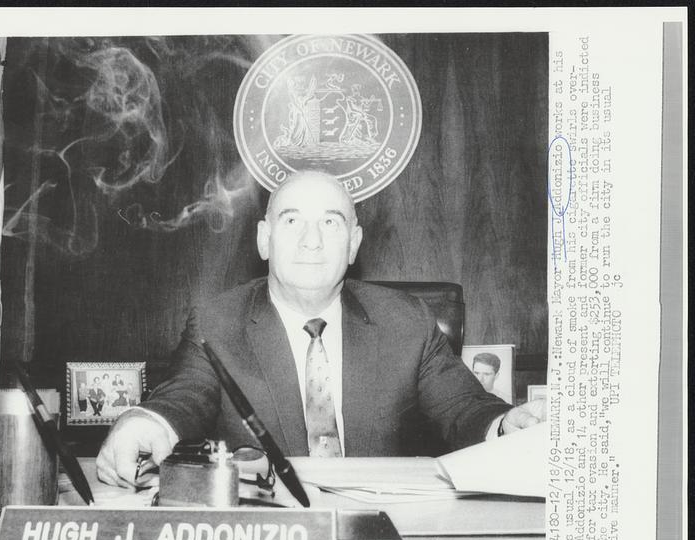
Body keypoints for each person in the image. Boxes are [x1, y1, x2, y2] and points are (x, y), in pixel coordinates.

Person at [96, 170, 545, 487]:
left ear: (353, 244)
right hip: (270, 533)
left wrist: (508, 424)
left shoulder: (407, 321)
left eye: (331, 222)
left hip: (389, 519)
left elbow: (464, 408)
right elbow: (183, 396)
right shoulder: (217, 320)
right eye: (292, 221)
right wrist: (144, 421)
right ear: (264, 239)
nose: (312, 240)